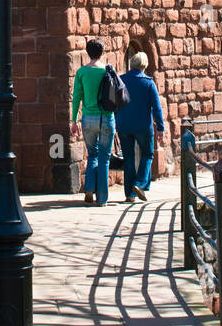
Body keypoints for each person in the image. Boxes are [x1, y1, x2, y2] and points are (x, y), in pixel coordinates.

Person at [115, 51, 166, 202]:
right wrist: (161, 128)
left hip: (124, 125)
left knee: (129, 159)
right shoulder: (148, 83)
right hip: (143, 126)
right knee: (148, 154)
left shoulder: (121, 80)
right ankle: (139, 183)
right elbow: (156, 108)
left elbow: (116, 103)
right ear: (145, 65)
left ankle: (130, 195)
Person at [70, 39, 114, 206]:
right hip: (106, 118)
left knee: (92, 155)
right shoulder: (108, 70)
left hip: (88, 118)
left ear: (88, 53)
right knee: (104, 157)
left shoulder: (81, 72)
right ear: (102, 52)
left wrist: (74, 120)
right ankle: (102, 198)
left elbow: (76, 99)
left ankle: (89, 187)